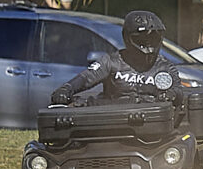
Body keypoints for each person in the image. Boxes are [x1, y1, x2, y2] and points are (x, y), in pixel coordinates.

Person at [50, 10, 185, 106]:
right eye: (143, 39)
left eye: (153, 38)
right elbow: (86, 78)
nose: (148, 44)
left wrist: (171, 95)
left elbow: (179, 92)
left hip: (151, 129)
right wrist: (66, 89)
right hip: (113, 124)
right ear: (127, 37)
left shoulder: (165, 67)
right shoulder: (112, 61)